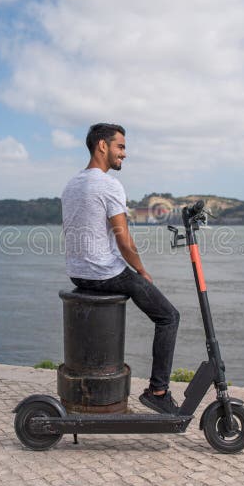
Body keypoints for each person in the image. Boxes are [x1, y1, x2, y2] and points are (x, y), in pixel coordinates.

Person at [61, 122, 181, 415]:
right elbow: (124, 239)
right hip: (105, 273)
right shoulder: (109, 184)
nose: (124, 154)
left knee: (160, 309)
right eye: (121, 147)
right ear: (102, 145)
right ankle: (158, 391)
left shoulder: (71, 185)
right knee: (168, 317)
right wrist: (142, 271)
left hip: (78, 273)